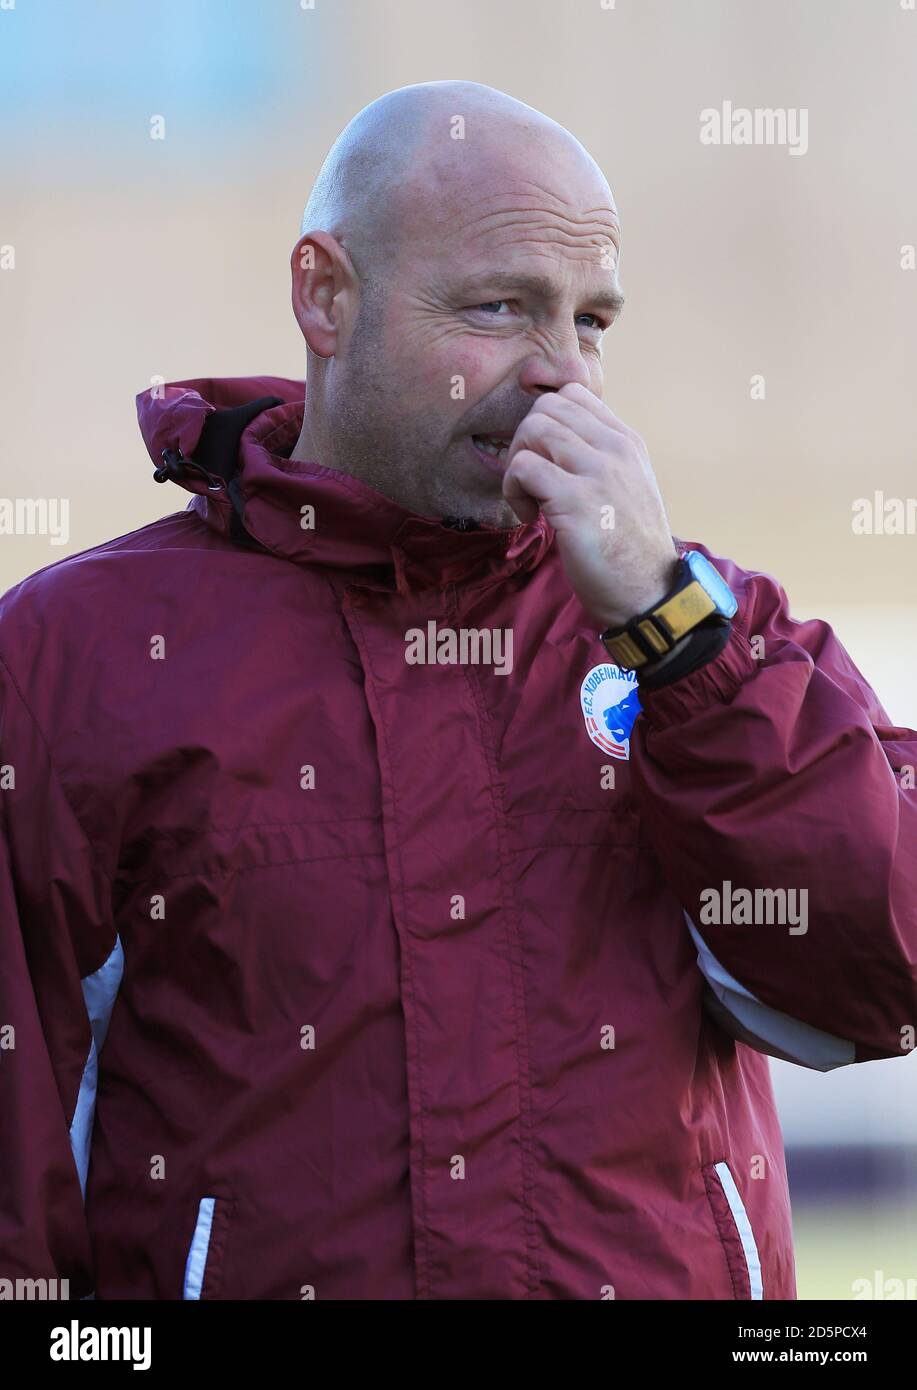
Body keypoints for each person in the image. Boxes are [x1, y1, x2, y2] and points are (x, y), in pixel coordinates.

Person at [1, 80, 915, 1302]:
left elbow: (878, 979)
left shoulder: (711, 629)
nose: (559, 374)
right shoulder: (77, 651)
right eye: (499, 307)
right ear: (325, 295)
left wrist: (675, 639)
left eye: (590, 322)